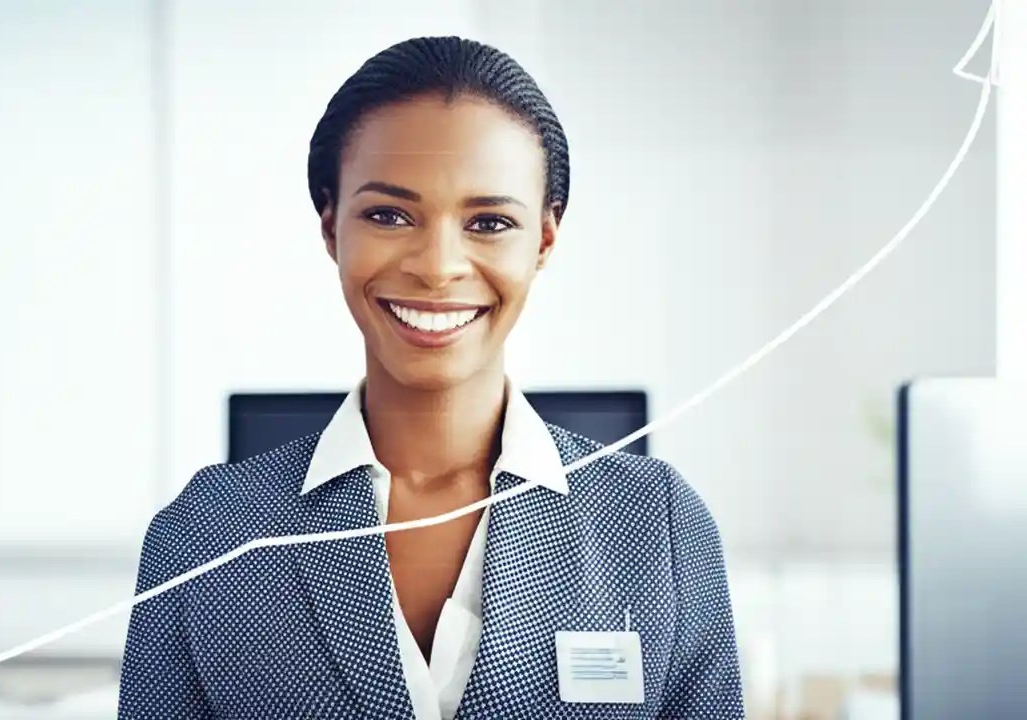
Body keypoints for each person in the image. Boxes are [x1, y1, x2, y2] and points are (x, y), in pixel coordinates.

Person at [119, 36, 743, 719]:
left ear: (544, 239)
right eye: (388, 215)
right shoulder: (206, 535)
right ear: (331, 229)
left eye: (490, 222)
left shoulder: (659, 526)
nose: (439, 267)